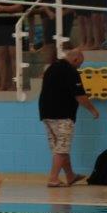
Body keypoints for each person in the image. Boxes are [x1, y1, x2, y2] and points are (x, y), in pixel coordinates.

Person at [39, 47, 99, 187]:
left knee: (60, 147)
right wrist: (93, 110)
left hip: (46, 114)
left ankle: (70, 176)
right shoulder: (71, 71)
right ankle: (53, 178)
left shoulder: (52, 67)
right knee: (62, 149)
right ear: (75, 59)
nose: (79, 66)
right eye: (80, 63)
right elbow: (80, 96)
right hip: (62, 115)